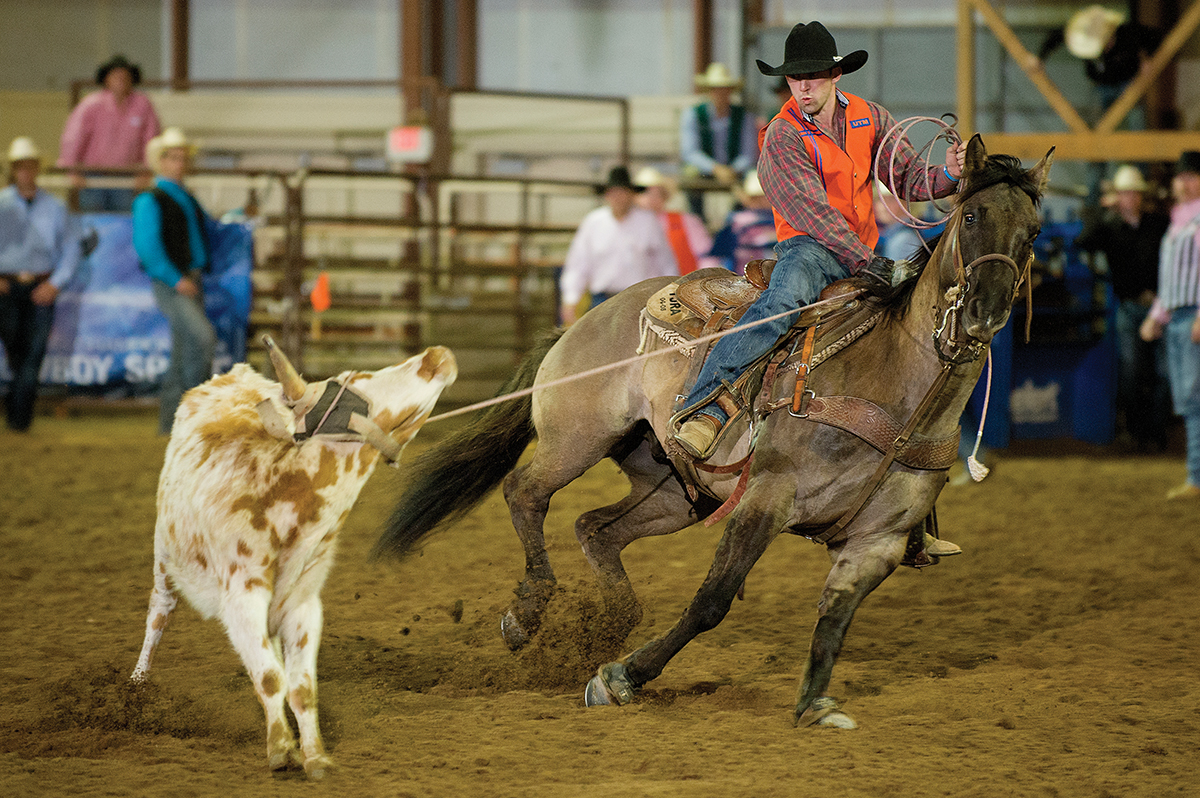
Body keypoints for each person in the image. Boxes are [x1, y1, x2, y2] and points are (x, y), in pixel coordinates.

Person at [673, 20, 965, 461]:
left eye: (812, 77)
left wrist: (948, 175)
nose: (803, 88)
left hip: (864, 252)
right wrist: (866, 260)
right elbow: (813, 214)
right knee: (780, 305)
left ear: (835, 76)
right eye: (795, 79)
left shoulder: (872, 117)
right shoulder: (781, 134)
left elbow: (905, 178)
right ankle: (706, 406)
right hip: (811, 250)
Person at [1076, 164, 1170, 451]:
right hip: (1130, 308)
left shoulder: (1157, 224)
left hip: (1160, 307)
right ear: (1119, 196)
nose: (1130, 198)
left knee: (1164, 373)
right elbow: (1084, 241)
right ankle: (1138, 431)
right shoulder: (1108, 227)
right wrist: (1103, 212)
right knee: (1132, 372)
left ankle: (1157, 432)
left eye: (1134, 193)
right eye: (1125, 193)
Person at [132, 127, 217, 435]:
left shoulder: (180, 197)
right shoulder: (152, 199)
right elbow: (148, 248)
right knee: (201, 338)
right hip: (177, 282)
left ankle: (171, 425)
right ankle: (192, 419)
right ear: (162, 161)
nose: (180, 163)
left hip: (186, 279)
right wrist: (175, 278)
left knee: (184, 351)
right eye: (174, 157)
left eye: (183, 157)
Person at [1032, 6, 1162, 203]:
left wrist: (1148, 57)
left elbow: (1155, 37)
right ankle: (1094, 191)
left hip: (1128, 85)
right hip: (1102, 86)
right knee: (1095, 136)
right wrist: (1040, 57)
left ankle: (1141, 178)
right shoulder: (1077, 33)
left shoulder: (1128, 34)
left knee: (1137, 128)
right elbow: (1055, 37)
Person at [0, 137, 81, 431]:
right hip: (6, 287)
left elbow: (71, 248)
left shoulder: (56, 207)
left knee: (32, 354)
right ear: (14, 169)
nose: (26, 172)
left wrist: (55, 284)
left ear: (36, 168)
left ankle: (19, 421)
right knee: (17, 353)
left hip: (41, 287)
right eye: (20, 166)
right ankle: (17, 415)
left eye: (30, 166)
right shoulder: (1, 203)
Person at [1139, 151, 1200, 500]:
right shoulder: (1179, 222)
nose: (1185, 182)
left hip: (1192, 315)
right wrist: (1157, 316)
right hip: (1178, 316)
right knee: (1188, 398)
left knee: (1192, 400)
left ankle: (1196, 477)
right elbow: (1171, 277)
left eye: (1192, 176)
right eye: (1182, 176)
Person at [559, 166, 678, 325]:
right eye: (614, 192)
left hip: (641, 301)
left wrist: (671, 296)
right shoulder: (594, 222)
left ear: (631, 195)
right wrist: (570, 299)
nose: (618, 197)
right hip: (603, 300)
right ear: (607, 195)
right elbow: (578, 263)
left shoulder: (648, 222)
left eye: (623, 192)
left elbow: (666, 263)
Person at [58, 54, 162, 212]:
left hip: (128, 176)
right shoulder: (91, 104)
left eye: (125, 76)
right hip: (92, 176)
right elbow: (74, 137)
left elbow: (152, 139)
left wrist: (148, 170)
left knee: (123, 221)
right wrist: (72, 170)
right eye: (115, 75)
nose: (120, 79)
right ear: (106, 79)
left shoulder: (142, 104)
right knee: (92, 223)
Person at [679, 62, 760, 221]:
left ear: (730, 91)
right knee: (689, 174)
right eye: (715, 88)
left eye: (724, 88)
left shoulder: (745, 117)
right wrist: (715, 169)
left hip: (735, 171)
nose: (720, 93)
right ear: (708, 91)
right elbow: (689, 152)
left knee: (755, 179)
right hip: (705, 170)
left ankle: (735, 221)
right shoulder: (692, 114)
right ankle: (698, 221)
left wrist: (733, 169)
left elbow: (749, 153)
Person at [633, 166, 714, 276]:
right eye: (644, 192)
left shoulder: (686, 221)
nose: (650, 197)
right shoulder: (629, 223)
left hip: (682, 287)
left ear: (664, 195)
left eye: (656, 192)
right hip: (640, 288)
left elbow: (707, 257)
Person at [710, 170, 777, 274]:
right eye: (756, 197)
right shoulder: (737, 220)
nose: (762, 201)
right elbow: (720, 250)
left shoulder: (782, 218)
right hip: (744, 272)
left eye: (764, 196)